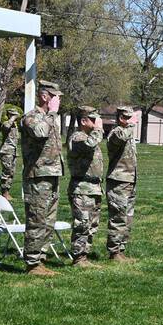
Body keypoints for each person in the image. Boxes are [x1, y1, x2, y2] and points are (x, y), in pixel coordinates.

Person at [20, 81, 64, 276]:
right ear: (45, 97)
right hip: (37, 176)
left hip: (52, 174)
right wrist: (52, 114)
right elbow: (40, 133)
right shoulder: (32, 117)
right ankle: (32, 262)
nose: (59, 101)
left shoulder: (48, 118)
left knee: (48, 220)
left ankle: (41, 259)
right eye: (56, 97)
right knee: (37, 219)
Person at [67, 106, 105, 267]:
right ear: (83, 121)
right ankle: (78, 257)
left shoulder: (89, 136)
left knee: (92, 224)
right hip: (82, 187)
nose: (97, 124)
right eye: (94, 120)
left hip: (93, 188)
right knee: (82, 223)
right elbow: (89, 145)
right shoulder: (78, 137)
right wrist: (99, 130)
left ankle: (84, 255)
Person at [104, 106, 137, 262]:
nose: (130, 121)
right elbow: (121, 138)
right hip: (118, 181)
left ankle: (121, 250)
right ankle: (114, 252)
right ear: (120, 118)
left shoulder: (127, 132)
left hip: (129, 180)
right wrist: (130, 125)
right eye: (127, 118)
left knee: (127, 218)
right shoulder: (115, 132)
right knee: (118, 217)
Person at [0, 105, 21, 198]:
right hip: (6, 151)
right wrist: (12, 118)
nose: (15, 117)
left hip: (13, 151)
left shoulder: (14, 125)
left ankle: (7, 190)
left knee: (12, 172)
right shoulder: (6, 123)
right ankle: (4, 191)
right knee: (7, 171)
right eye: (13, 115)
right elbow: (6, 127)